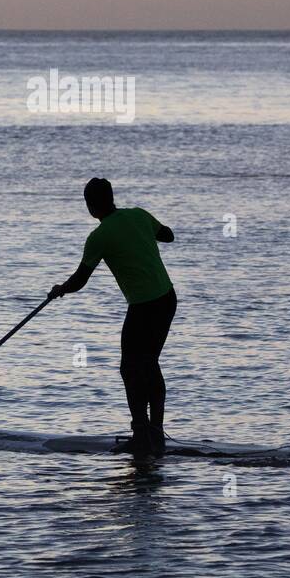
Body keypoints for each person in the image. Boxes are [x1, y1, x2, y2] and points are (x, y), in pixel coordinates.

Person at [49, 178, 176, 457]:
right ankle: (155, 433)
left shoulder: (100, 236)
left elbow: (80, 280)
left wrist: (60, 290)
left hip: (144, 306)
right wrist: (143, 234)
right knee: (149, 364)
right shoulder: (138, 215)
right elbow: (168, 235)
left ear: (91, 207)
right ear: (112, 198)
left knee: (130, 369)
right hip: (167, 299)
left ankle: (143, 436)